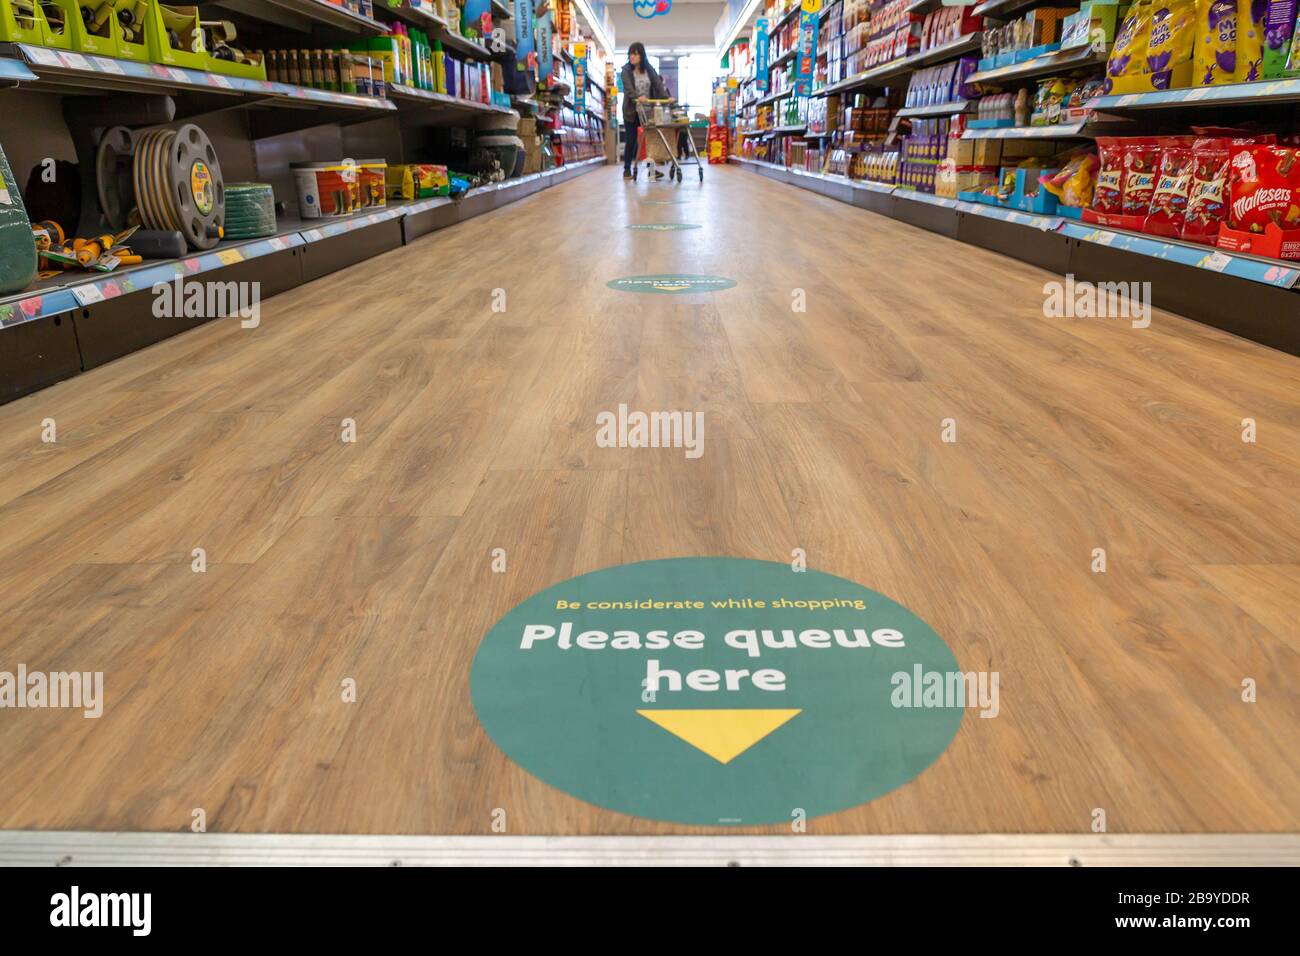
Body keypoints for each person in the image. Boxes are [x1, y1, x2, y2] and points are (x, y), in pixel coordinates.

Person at [620, 43, 668, 180]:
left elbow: (658, 85)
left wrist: (666, 97)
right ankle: (627, 169)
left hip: (647, 111)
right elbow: (629, 89)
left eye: (635, 53)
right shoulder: (626, 71)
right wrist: (637, 97)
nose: (632, 56)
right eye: (630, 54)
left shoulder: (649, 70)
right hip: (631, 111)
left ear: (641, 55)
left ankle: (651, 171)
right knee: (632, 140)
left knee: (649, 141)